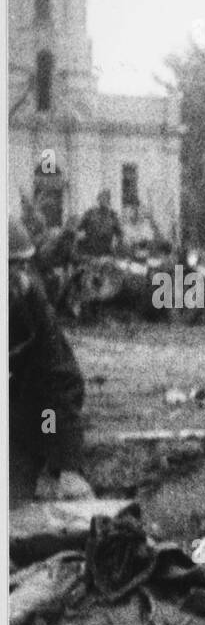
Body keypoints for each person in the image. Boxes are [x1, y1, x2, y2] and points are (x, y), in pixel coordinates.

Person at [8, 218, 95, 503]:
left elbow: (58, 385)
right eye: (10, 267)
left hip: (21, 424)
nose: (19, 278)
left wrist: (59, 462)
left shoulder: (32, 306)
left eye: (22, 266)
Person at [76, 190, 122, 257]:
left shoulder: (112, 215)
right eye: (101, 198)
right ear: (98, 199)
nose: (103, 201)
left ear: (109, 201)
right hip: (90, 249)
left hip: (106, 249)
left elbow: (119, 233)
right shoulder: (90, 213)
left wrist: (116, 245)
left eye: (106, 199)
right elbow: (79, 227)